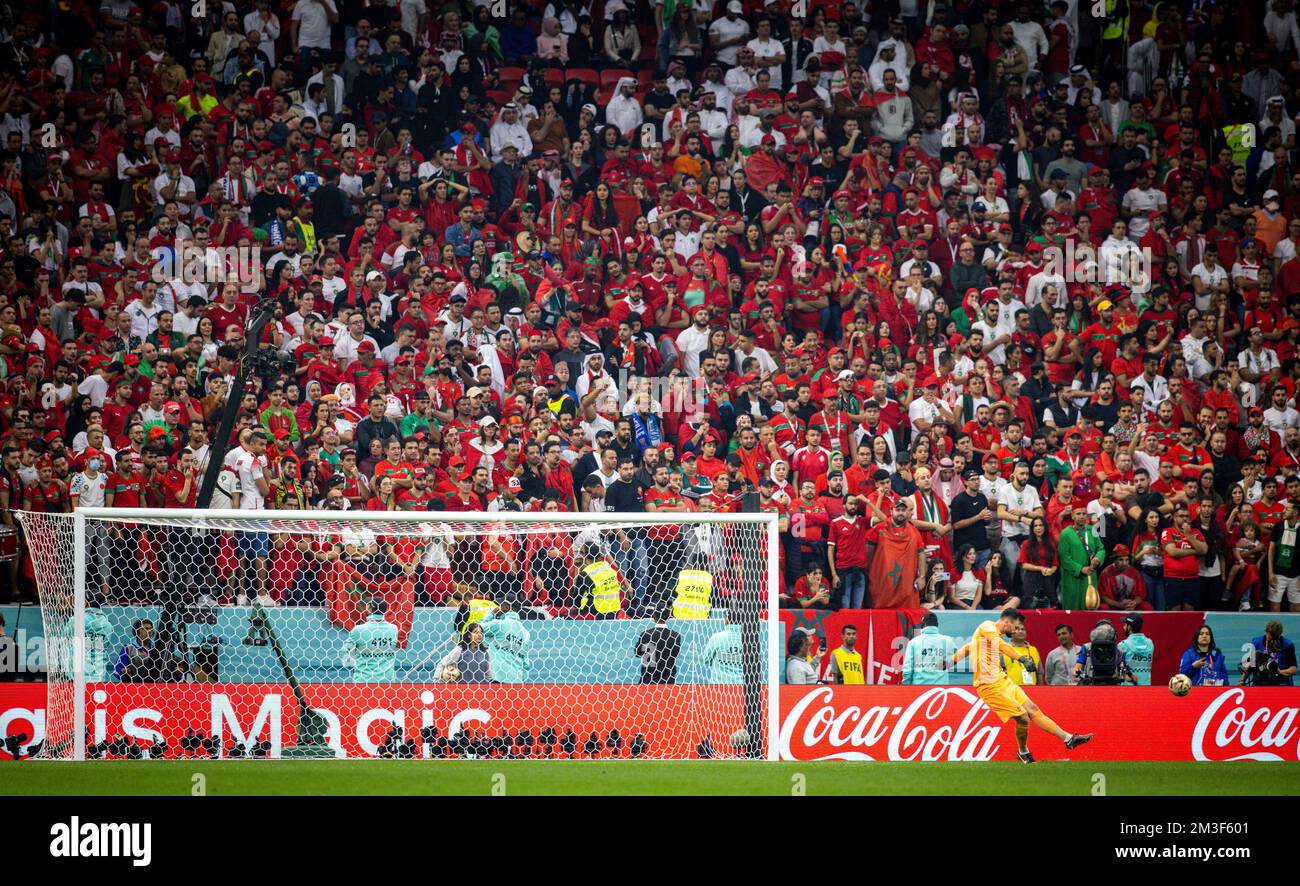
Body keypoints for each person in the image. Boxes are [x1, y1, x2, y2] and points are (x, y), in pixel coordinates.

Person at [953, 609, 1094, 763]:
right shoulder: (987, 627)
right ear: (1007, 622)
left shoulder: (988, 636)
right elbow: (1002, 646)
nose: (1015, 631)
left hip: (1002, 680)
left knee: (1032, 709)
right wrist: (1023, 659)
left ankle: (1068, 739)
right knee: (1022, 718)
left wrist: (950, 661)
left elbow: (968, 647)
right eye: (1015, 627)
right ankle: (1023, 753)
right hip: (987, 685)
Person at [865, 500, 927, 609]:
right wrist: (867, 571)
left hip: (905, 587)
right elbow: (868, 552)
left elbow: (921, 554)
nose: (900, 513)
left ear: (908, 512)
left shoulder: (914, 532)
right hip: (882, 585)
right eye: (897, 510)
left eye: (903, 510)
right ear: (891, 511)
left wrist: (922, 576)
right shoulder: (879, 529)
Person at [1057, 504, 1103, 609]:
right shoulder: (1065, 533)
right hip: (1072, 578)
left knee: (1090, 607)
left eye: (1084, 514)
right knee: (1073, 607)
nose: (1081, 516)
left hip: (1091, 575)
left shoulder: (1093, 530)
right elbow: (1064, 558)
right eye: (1078, 514)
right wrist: (1081, 569)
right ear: (1072, 516)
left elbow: (1101, 548)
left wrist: (1098, 558)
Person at [344, 597, 398, 683]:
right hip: (387, 681)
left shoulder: (359, 629)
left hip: (363, 680)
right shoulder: (394, 629)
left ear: (369, 608)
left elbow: (346, 649)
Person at [478, 600, 531, 683]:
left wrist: (491, 615)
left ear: (506, 607)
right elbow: (526, 664)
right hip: (517, 680)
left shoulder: (498, 624)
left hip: (498, 678)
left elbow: (475, 629)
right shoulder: (526, 633)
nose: (498, 607)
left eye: (500, 605)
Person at [574, 542, 626, 619]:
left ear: (585, 555)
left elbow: (576, 602)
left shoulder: (585, 574)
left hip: (598, 613)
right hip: (615, 611)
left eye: (581, 552)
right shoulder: (608, 567)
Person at [902, 612, 957, 685]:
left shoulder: (913, 642)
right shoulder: (948, 640)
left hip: (918, 689)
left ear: (923, 625)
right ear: (937, 625)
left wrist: (906, 687)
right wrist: (946, 664)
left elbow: (907, 670)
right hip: (940, 689)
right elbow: (957, 656)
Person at [1241, 620, 1297, 686]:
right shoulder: (1256, 642)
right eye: (1271, 637)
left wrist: (1280, 672)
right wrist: (1242, 680)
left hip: (1281, 684)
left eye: (1276, 638)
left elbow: (1293, 670)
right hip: (1260, 683)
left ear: (1281, 634)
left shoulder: (1288, 645)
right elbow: (1250, 666)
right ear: (1266, 632)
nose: (1272, 641)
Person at [636, 611, 683, 684]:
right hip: (667, 678)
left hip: (648, 678)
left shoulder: (646, 634)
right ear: (668, 617)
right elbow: (675, 654)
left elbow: (637, 653)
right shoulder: (675, 636)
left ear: (654, 616)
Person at [703, 608, 744, 684]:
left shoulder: (717, 638)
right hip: (740, 687)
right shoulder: (748, 640)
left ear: (727, 620)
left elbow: (706, 659)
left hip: (718, 687)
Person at [1117, 613, 1154, 685]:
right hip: (1147, 688)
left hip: (1127, 690)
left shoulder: (1122, 645)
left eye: (1125, 625)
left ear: (1129, 627)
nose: (1123, 627)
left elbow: (1118, 671)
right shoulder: (1150, 643)